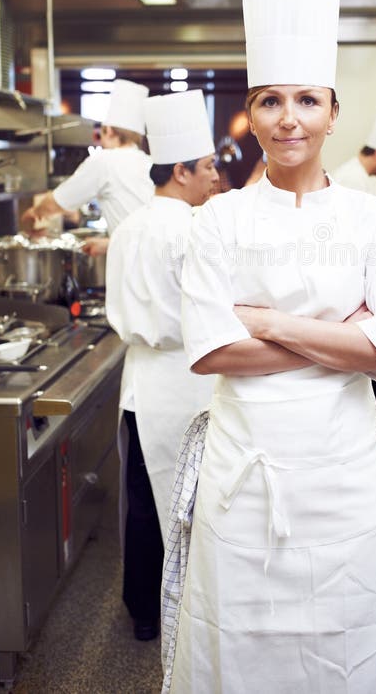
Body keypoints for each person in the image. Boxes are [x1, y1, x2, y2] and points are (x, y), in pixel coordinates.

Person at [161, 0, 376, 693]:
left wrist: (266, 321)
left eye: (307, 100)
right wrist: (336, 336)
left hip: (346, 476)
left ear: (333, 114)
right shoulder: (219, 220)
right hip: (245, 479)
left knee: (353, 643)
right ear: (251, 115)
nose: (289, 119)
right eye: (270, 101)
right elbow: (212, 349)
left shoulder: (369, 218)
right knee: (239, 647)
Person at [105, 90, 219, 642]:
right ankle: (189, 607)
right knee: (187, 500)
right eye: (209, 167)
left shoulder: (127, 227)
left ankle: (144, 612)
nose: (215, 176)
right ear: (181, 171)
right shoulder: (193, 230)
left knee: (143, 502)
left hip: (140, 383)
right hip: (187, 380)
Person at [21, 79, 153, 246]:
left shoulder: (105, 161)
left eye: (100, 134)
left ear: (109, 131)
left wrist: (35, 213)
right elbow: (139, 231)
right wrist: (105, 245)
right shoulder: (147, 161)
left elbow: (55, 203)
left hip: (135, 259)